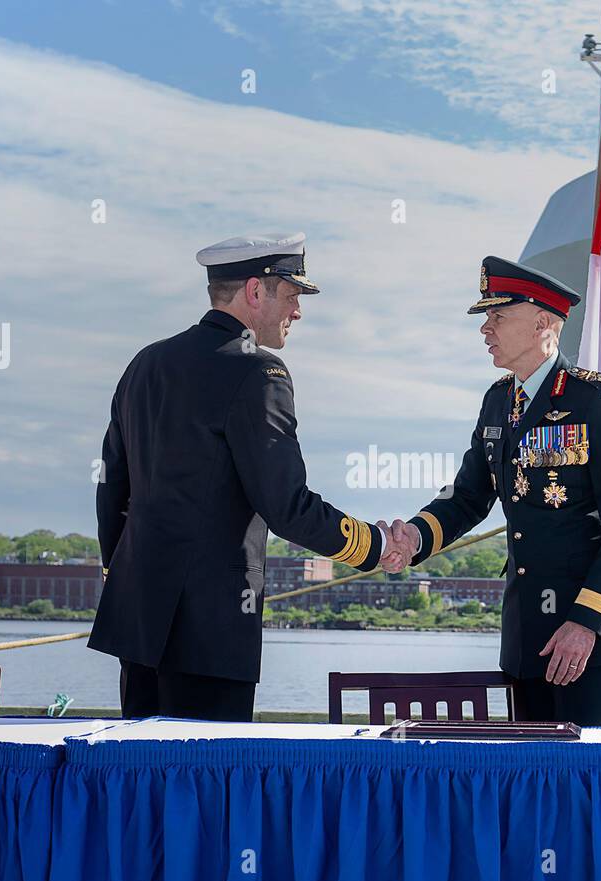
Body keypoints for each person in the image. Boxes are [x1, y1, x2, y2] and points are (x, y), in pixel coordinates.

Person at [89, 233, 408, 720]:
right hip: (210, 629)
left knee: (140, 782)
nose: (297, 312)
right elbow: (286, 505)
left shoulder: (145, 364)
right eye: (292, 295)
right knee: (209, 784)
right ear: (256, 292)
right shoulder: (259, 373)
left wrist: (124, 575)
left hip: (138, 621)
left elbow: (113, 489)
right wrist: (373, 547)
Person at [383, 256, 601, 726]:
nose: (486, 328)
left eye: (497, 316)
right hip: (527, 634)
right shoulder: (497, 401)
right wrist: (416, 538)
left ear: (543, 323)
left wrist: (585, 624)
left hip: (586, 638)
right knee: (532, 782)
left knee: (588, 783)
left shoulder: (595, 401)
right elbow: (467, 497)